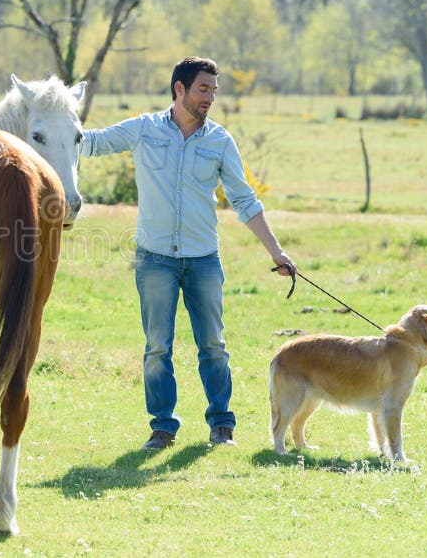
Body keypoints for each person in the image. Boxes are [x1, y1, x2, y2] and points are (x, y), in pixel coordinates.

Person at [80, 56, 297, 450]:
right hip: (155, 260)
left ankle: (221, 426)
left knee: (213, 344)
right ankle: (162, 427)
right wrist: (46, 126)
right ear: (179, 89)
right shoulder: (144, 129)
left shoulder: (219, 141)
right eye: (203, 89)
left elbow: (244, 200)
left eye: (214, 90)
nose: (210, 97)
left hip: (203, 261)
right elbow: (92, 142)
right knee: (157, 347)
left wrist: (276, 252)